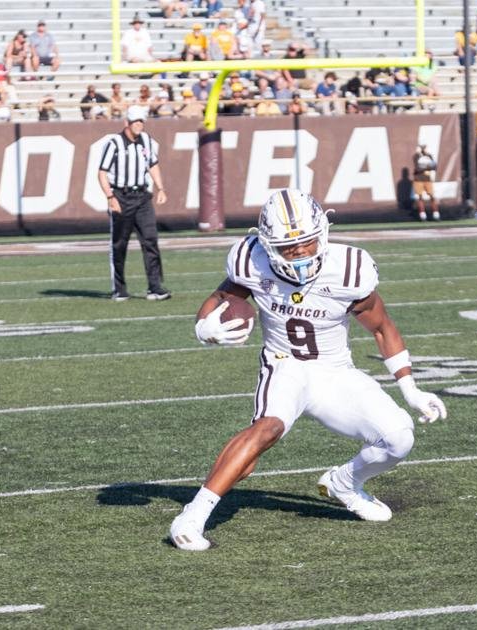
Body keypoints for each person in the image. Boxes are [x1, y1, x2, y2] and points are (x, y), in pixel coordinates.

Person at [168, 189, 447, 551]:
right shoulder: (250, 261)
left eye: (307, 243)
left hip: (335, 371)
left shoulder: (349, 269)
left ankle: (343, 483)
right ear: (266, 245)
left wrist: (410, 389)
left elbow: (382, 328)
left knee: (398, 438)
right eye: (287, 247)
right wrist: (204, 327)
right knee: (266, 431)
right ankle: (191, 516)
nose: (299, 254)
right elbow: (223, 298)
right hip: (285, 365)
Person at [97, 106, 170, 301]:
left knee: (150, 240)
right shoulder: (114, 143)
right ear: (127, 123)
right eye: (136, 121)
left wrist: (160, 188)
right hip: (121, 196)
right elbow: (102, 172)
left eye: (141, 121)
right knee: (120, 244)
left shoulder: (145, 140)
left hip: (142, 196)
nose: (139, 125)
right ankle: (119, 288)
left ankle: (155, 287)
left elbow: (152, 165)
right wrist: (110, 197)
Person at [413, 145, 440, 221]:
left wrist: (425, 167)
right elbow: (417, 168)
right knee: (420, 196)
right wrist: (428, 166)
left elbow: (434, 167)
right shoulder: (416, 156)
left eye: (424, 147)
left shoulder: (429, 156)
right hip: (418, 179)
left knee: (432, 196)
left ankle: (436, 214)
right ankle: (422, 215)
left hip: (427, 179)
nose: (423, 149)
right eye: (422, 147)